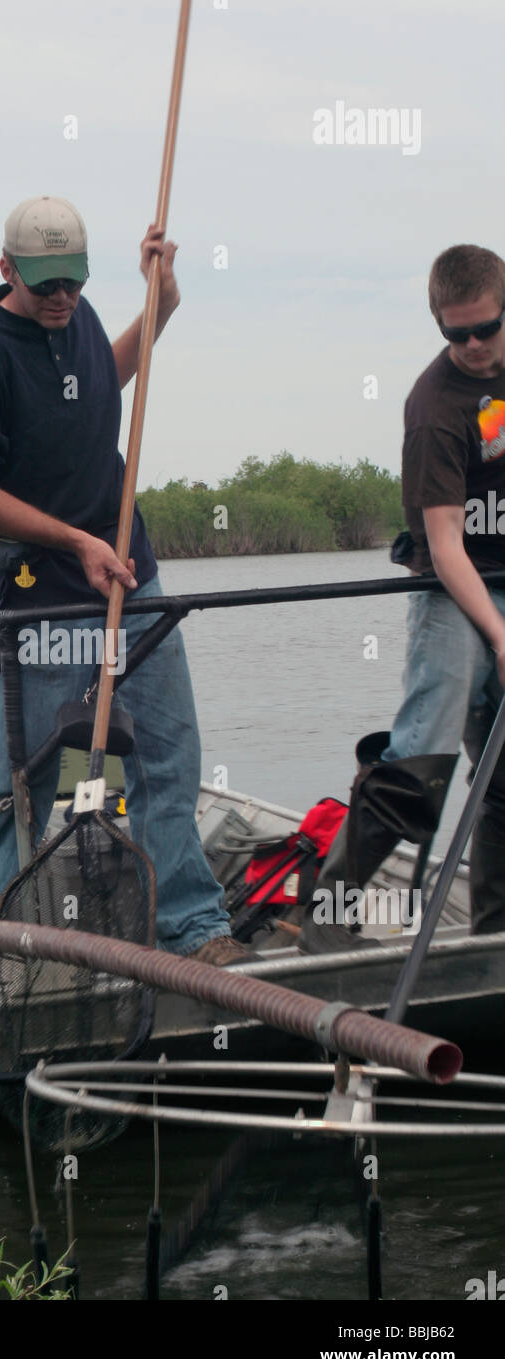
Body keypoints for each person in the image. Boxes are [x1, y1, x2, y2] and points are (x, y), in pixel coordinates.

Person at [0, 193, 250, 1000]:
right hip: (41, 591)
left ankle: (196, 930)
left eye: (73, 281)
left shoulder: (83, 317)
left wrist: (157, 302)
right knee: (9, 774)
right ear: (6, 270)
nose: (62, 298)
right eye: (45, 283)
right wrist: (75, 542)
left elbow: (109, 379)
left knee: (167, 755)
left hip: (131, 577)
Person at [300, 244, 505, 952]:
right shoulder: (435, 408)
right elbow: (445, 546)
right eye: (457, 334)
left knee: (504, 769)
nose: (474, 346)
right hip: (453, 587)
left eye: (486, 328)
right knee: (425, 749)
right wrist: (501, 639)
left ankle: (494, 937)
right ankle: (325, 918)